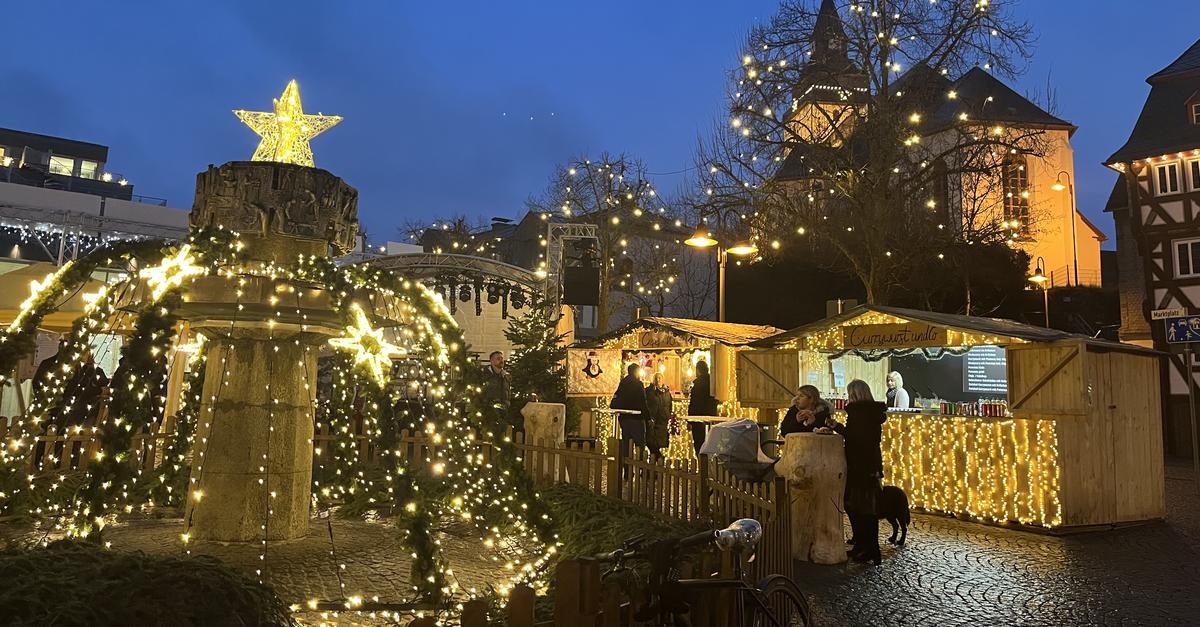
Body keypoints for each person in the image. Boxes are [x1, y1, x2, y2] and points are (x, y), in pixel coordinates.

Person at [827, 379, 887, 565]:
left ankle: (867, 548)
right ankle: (866, 546)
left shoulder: (858, 412)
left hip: (859, 465)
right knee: (864, 507)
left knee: (859, 507)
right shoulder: (873, 413)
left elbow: (855, 437)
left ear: (853, 394)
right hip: (870, 464)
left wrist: (837, 427)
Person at [610, 363, 649, 456]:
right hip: (636, 418)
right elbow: (643, 401)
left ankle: (626, 466)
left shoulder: (623, 382)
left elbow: (617, 396)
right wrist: (648, 417)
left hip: (624, 418)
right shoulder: (638, 384)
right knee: (639, 444)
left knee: (626, 443)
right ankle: (640, 466)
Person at [687, 359, 718, 454]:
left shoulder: (697, 386)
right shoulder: (712, 384)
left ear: (698, 370)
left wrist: (690, 419)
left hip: (698, 419)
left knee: (699, 444)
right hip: (710, 418)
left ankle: (701, 464)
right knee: (709, 444)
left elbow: (694, 404)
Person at [481, 351, 513, 430]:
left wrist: (506, 404)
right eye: (498, 358)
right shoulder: (484, 375)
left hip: (503, 412)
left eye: (502, 358)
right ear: (492, 361)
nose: (501, 360)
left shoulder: (506, 376)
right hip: (489, 412)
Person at [644, 372, 673, 459]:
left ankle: (655, 464)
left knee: (658, 442)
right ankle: (658, 458)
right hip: (652, 420)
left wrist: (668, 415)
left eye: (660, 378)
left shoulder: (666, 392)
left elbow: (669, 405)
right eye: (656, 378)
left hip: (662, 421)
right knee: (651, 442)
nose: (658, 380)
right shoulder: (649, 391)